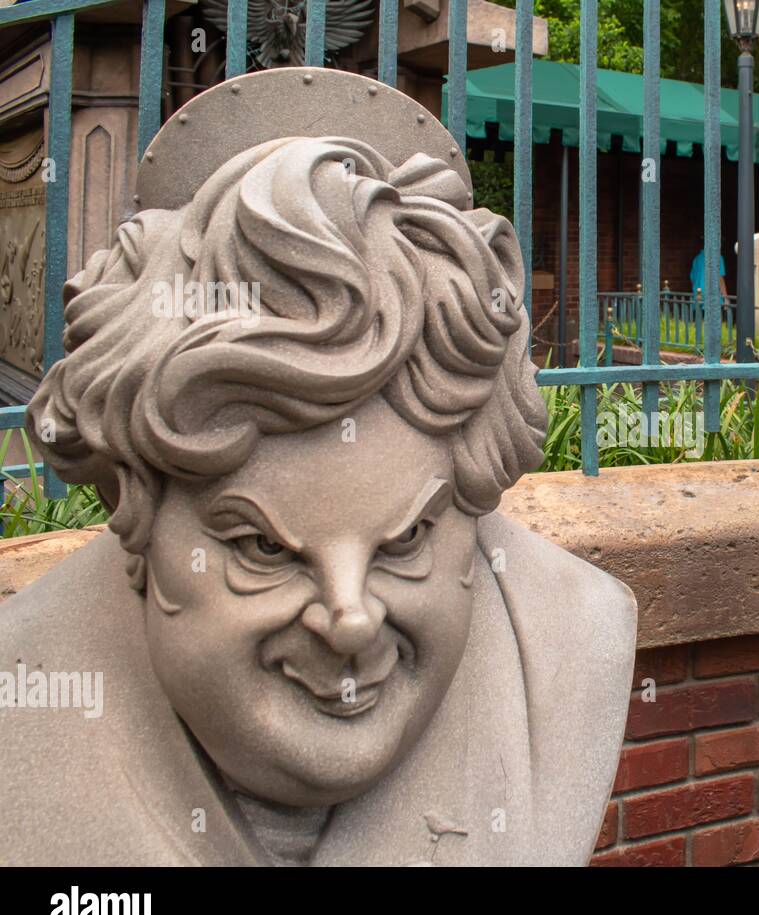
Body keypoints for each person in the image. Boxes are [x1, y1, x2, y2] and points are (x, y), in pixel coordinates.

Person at [0, 72, 637, 866]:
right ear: (139, 513)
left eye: (406, 541)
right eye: (264, 550)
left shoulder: (574, 640)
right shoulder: (24, 692)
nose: (351, 620)